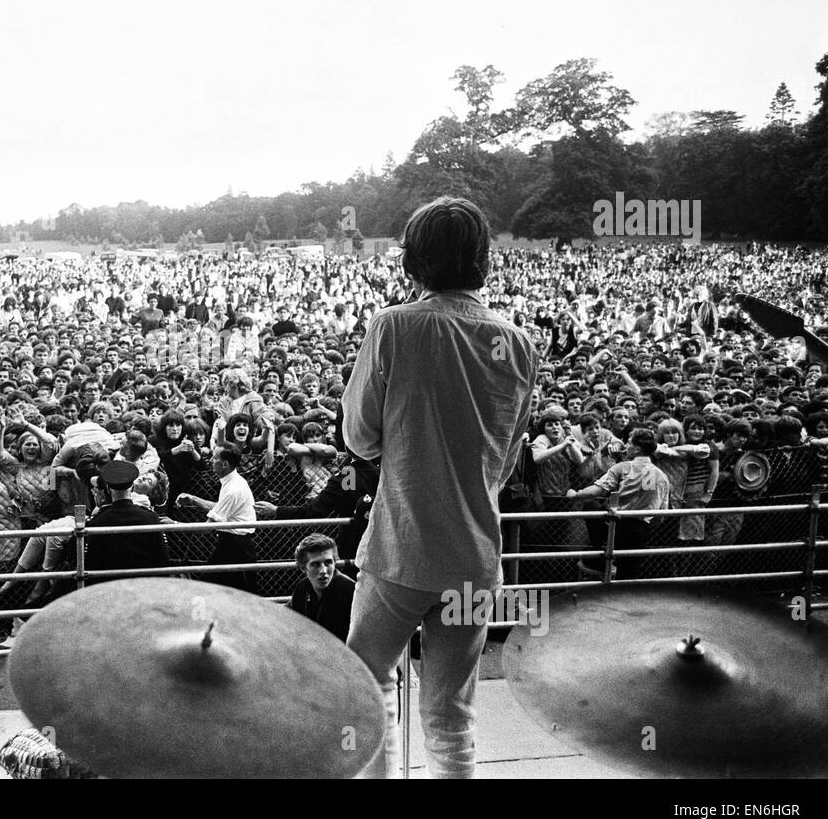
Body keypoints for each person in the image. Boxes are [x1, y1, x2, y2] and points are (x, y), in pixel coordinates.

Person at [343, 196, 536, 780]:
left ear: (413, 261)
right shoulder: (519, 344)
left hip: (401, 549)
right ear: (483, 260)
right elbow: (504, 461)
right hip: (475, 555)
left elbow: (358, 435)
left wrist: (403, 448)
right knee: (452, 715)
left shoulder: (394, 328)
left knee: (365, 685)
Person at [567, 427, 671, 578]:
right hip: (640, 531)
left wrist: (576, 494)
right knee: (628, 576)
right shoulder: (662, 476)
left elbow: (597, 490)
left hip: (615, 527)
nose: (625, 446)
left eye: (628, 443)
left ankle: (601, 549)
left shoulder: (623, 467)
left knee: (590, 505)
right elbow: (661, 515)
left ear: (636, 448)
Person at [177, 444, 257, 593]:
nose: (211, 461)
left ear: (225, 464)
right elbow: (220, 507)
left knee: (209, 588)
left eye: (214, 458)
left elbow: (208, 527)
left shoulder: (233, 489)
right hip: (232, 544)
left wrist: (174, 525)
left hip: (236, 547)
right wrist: (193, 499)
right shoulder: (232, 481)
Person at [287, 533, 354, 642]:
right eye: (316, 564)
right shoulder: (302, 588)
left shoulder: (350, 591)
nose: (323, 571)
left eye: (328, 563)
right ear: (304, 568)